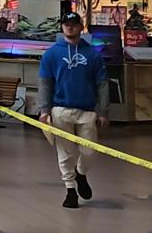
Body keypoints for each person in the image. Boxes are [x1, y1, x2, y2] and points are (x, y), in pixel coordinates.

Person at [38, 12, 108, 209]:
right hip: (60, 109)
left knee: (89, 151)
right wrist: (44, 110)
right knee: (65, 152)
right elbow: (45, 83)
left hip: (87, 110)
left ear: (81, 27)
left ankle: (81, 173)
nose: (70, 27)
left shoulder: (93, 55)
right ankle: (70, 190)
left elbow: (102, 84)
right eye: (66, 24)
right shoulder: (51, 54)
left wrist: (103, 111)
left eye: (74, 24)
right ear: (62, 27)